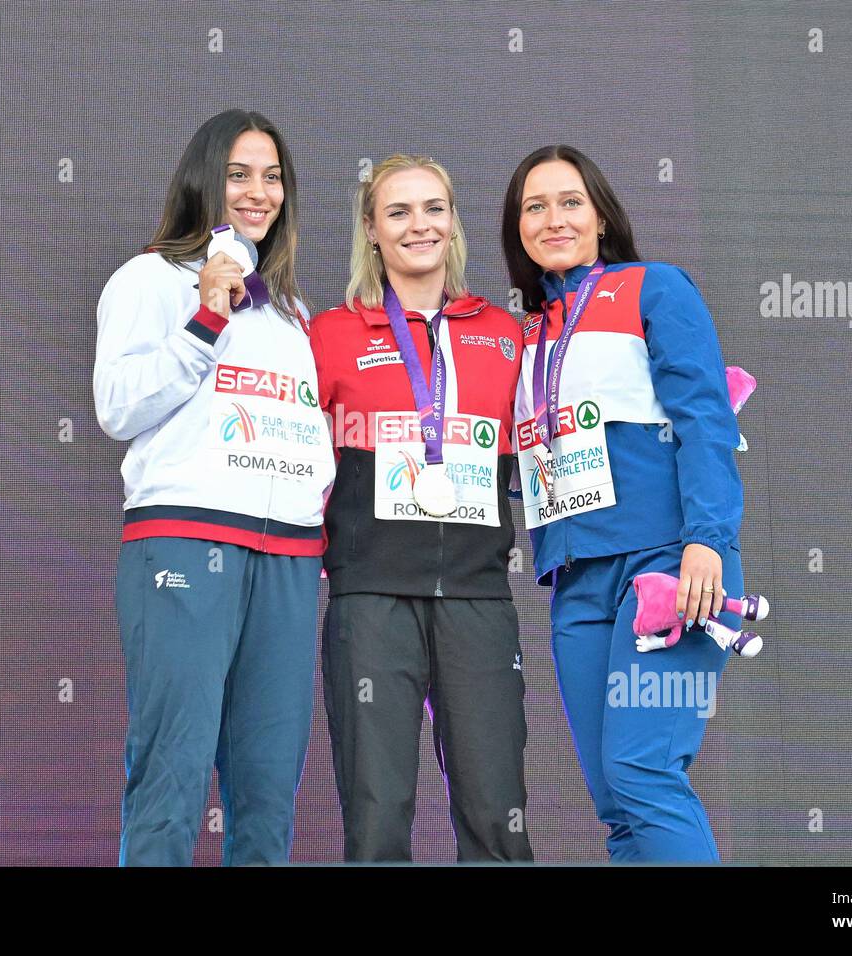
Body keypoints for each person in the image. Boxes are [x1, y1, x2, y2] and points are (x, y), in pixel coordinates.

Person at [93, 109, 334, 866]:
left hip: (289, 559)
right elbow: (116, 406)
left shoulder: (292, 311)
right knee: (174, 770)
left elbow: (305, 430)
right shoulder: (148, 278)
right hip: (186, 541)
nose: (259, 192)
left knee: (267, 788)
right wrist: (204, 318)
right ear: (205, 178)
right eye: (239, 174)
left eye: (272, 177)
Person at [501, 145, 745, 862]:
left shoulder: (653, 288)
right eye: (535, 207)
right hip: (577, 583)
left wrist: (706, 541)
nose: (554, 219)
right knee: (617, 806)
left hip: (666, 565)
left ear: (601, 216)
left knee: (643, 773)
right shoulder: (525, 335)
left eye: (570, 202)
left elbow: (705, 419)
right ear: (518, 228)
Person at [310, 154, 533, 862]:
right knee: (376, 823)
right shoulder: (330, 334)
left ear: (454, 222)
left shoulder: (505, 333)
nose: (419, 225)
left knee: (498, 818)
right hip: (371, 597)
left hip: (477, 597)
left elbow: (548, 438)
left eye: (434, 208)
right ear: (371, 229)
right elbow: (296, 455)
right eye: (398, 211)